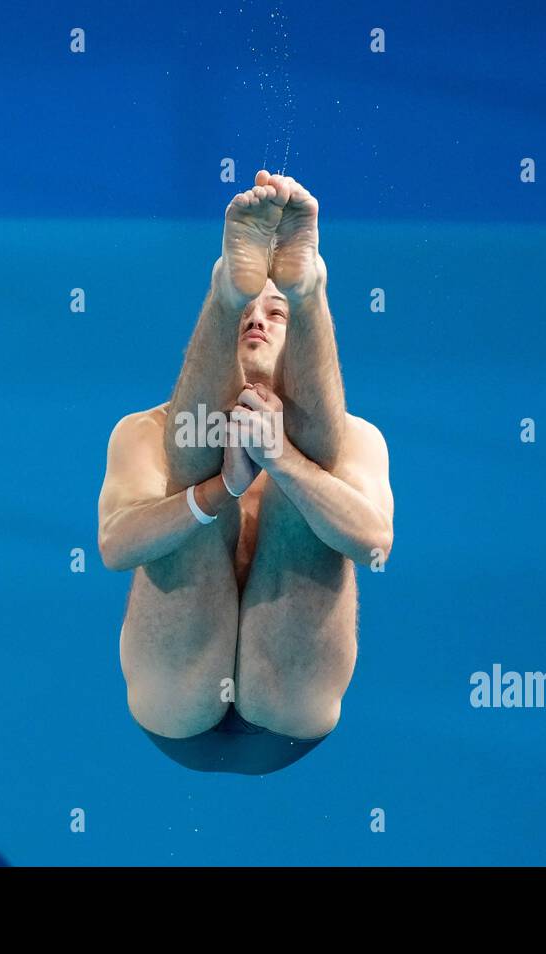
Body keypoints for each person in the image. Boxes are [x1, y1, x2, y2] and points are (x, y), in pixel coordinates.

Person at [97, 171, 394, 774]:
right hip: (175, 697)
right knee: (195, 463)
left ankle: (309, 285)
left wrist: (282, 462)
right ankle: (228, 288)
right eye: (244, 311)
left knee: (313, 474)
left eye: (278, 311)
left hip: (289, 701)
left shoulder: (358, 439)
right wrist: (219, 490)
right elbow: (114, 548)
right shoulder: (145, 430)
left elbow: (373, 544)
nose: (258, 321)